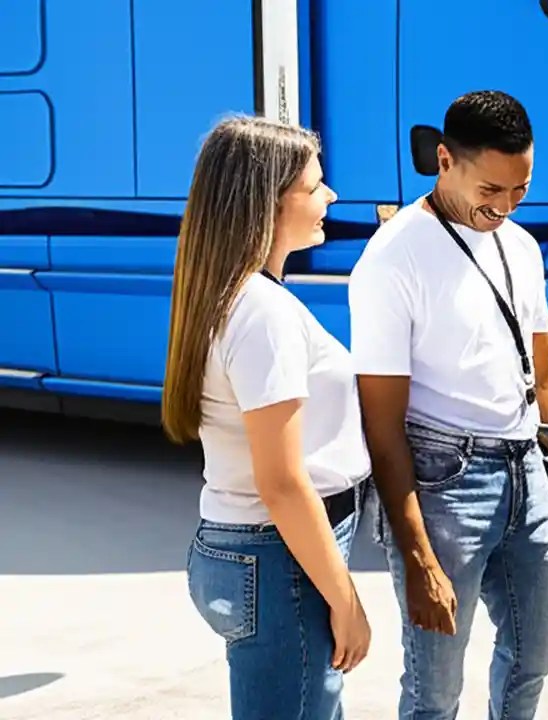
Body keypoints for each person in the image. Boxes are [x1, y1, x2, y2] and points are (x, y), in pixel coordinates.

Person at [349, 89, 548, 720]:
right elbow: (381, 425)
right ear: (445, 160)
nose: (505, 208)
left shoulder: (522, 247)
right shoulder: (393, 258)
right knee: (436, 690)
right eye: (491, 191)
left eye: (520, 191)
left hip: (525, 469)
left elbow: (545, 369)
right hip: (442, 479)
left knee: (537, 656)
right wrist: (417, 553)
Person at [161, 115, 373, 719]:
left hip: (246, 550)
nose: (330, 196)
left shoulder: (228, 293)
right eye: (315, 186)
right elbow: (280, 481)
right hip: (277, 560)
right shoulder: (263, 313)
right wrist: (346, 598)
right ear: (267, 203)